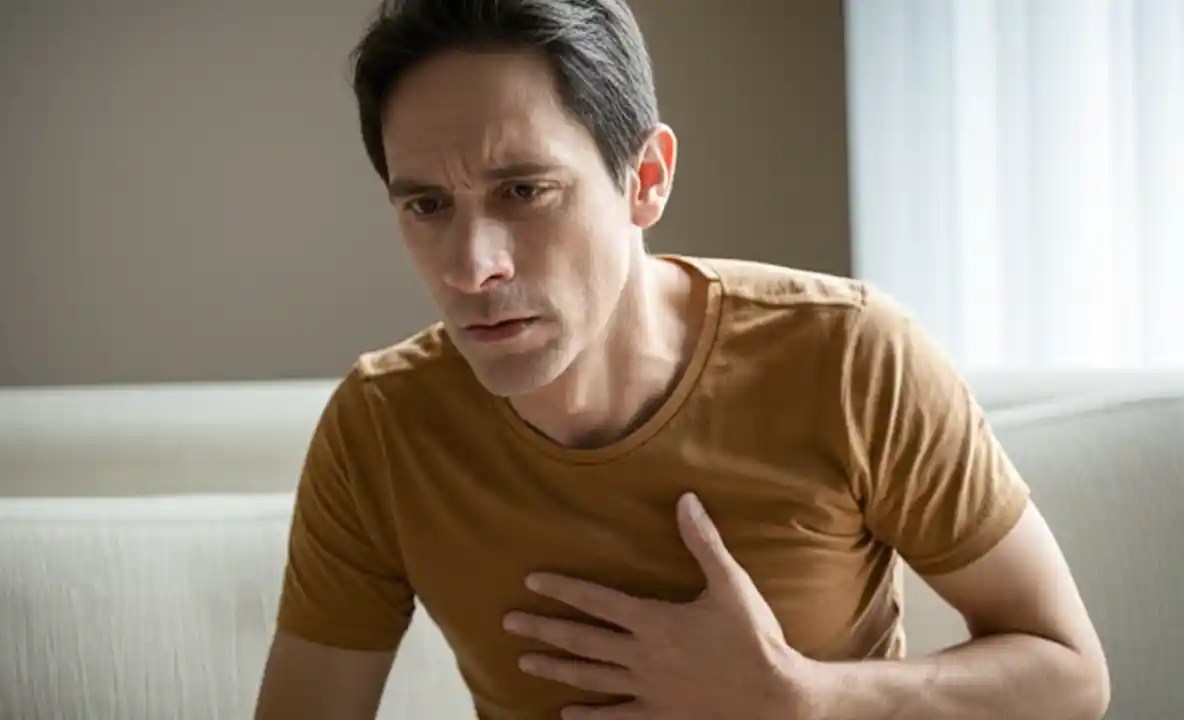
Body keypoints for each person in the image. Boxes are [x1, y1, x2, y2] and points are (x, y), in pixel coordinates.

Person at [255, 1, 1110, 717]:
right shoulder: (383, 425)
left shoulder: (849, 355)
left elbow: (1070, 675)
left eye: (524, 191)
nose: (472, 265)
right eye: (428, 205)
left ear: (647, 178)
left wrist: (801, 698)